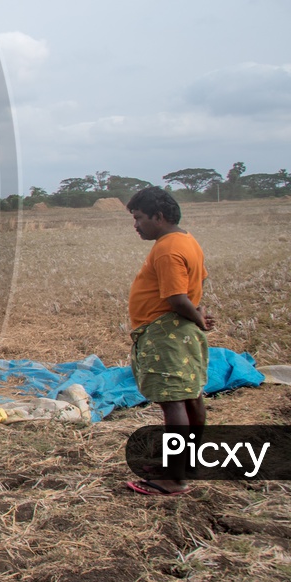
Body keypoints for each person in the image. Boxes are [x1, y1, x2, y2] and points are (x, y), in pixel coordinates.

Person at [124, 186, 214, 496]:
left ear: (158, 217)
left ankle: (173, 480)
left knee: (173, 401)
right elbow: (198, 281)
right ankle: (183, 464)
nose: (136, 225)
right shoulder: (187, 240)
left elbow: (176, 297)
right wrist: (198, 312)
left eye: (138, 218)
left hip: (167, 334)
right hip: (182, 332)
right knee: (191, 397)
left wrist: (197, 316)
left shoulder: (166, 248)